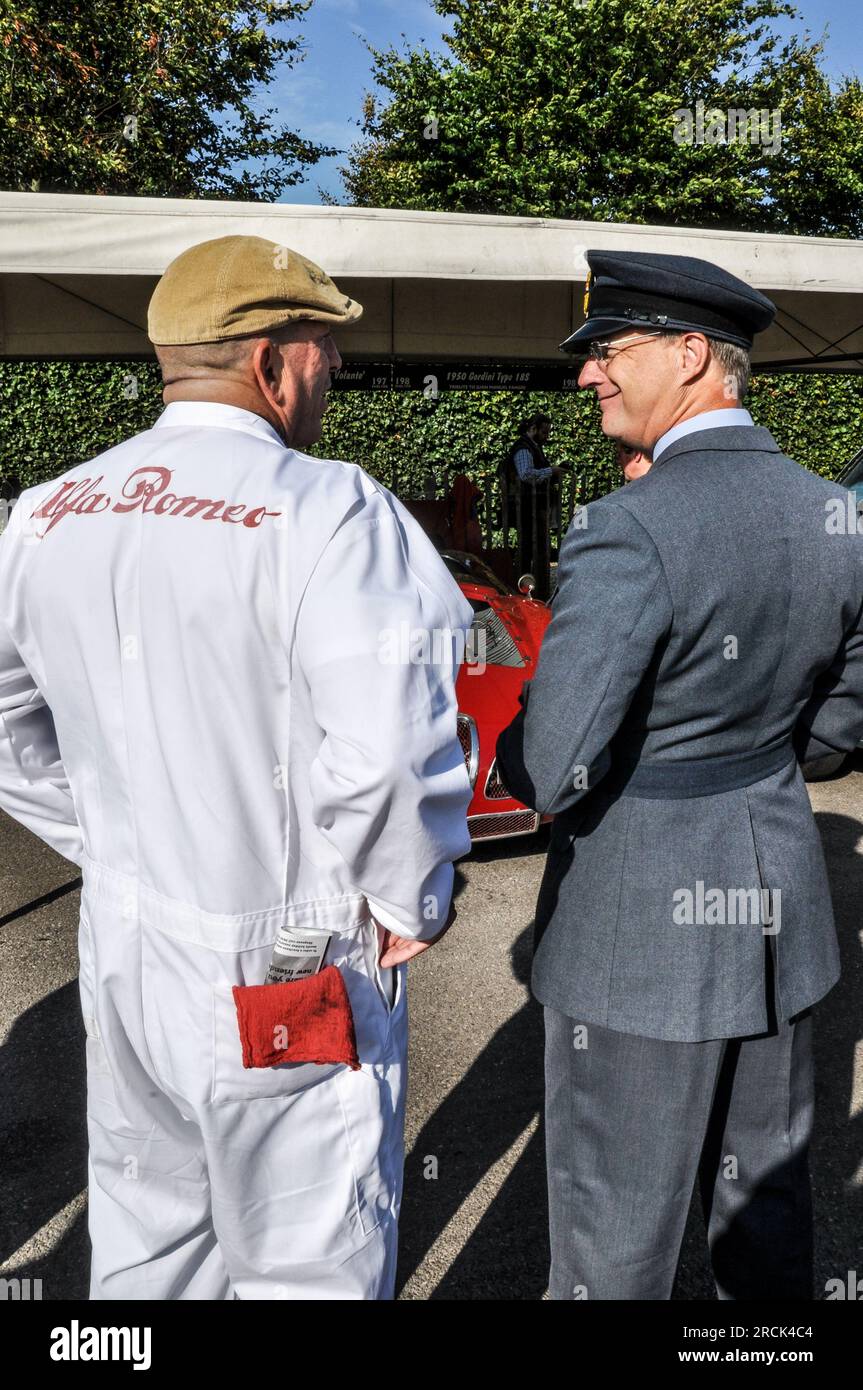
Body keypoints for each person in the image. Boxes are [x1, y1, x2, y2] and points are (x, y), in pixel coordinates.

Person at [0, 235, 473, 1300]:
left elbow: (3, 712)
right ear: (272, 361)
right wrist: (409, 895)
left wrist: (103, 830)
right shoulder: (331, 511)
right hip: (287, 955)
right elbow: (391, 753)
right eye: (323, 350)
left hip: (125, 945)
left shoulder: (49, 510)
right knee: (309, 1255)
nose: (335, 371)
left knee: (146, 1235)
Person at [496, 249, 863, 1301]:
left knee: (615, 1247)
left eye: (607, 351)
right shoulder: (831, 513)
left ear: (690, 353)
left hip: (636, 937)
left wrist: (525, 748)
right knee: (763, 1227)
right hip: (776, 918)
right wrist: (737, 761)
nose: (587, 375)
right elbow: (836, 723)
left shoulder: (627, 523)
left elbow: (553, 765)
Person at [502, 413, 562, 592]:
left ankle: (535, 586)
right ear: (533, 428)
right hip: (527, 508)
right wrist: (551, 471)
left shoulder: (532, 446)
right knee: (528, 548)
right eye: (544, 432)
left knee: (535, 547)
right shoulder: (523, 448)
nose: (547, 436)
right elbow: (526, 474)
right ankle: (526, 587)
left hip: (532, 507)